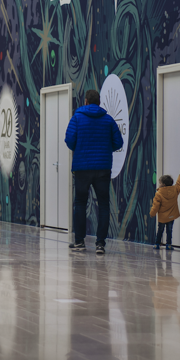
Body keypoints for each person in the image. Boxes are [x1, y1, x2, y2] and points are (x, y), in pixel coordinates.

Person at [64, 89, 123, 255]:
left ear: (86, 101)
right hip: (103, 168)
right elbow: (118, 142)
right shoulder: (108, 120)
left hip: (82, 167)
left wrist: (79, 148)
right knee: (103, 205)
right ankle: (100, 244)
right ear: (99, 102)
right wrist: (105, 149)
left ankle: (79, 242)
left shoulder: (77, 118)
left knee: (80, 203)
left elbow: (69, 140)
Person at [150, 166, 180, 250]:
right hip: (171, 216)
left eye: (160, 183)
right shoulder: (175, 190)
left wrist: (152, 213)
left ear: (163, 184)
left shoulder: (158, 194)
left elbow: (155, 206)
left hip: (162, 217)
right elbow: (179, 184)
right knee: (169, 231)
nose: (159, 184)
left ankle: (157, 244)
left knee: (160, 230)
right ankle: (168, 245)